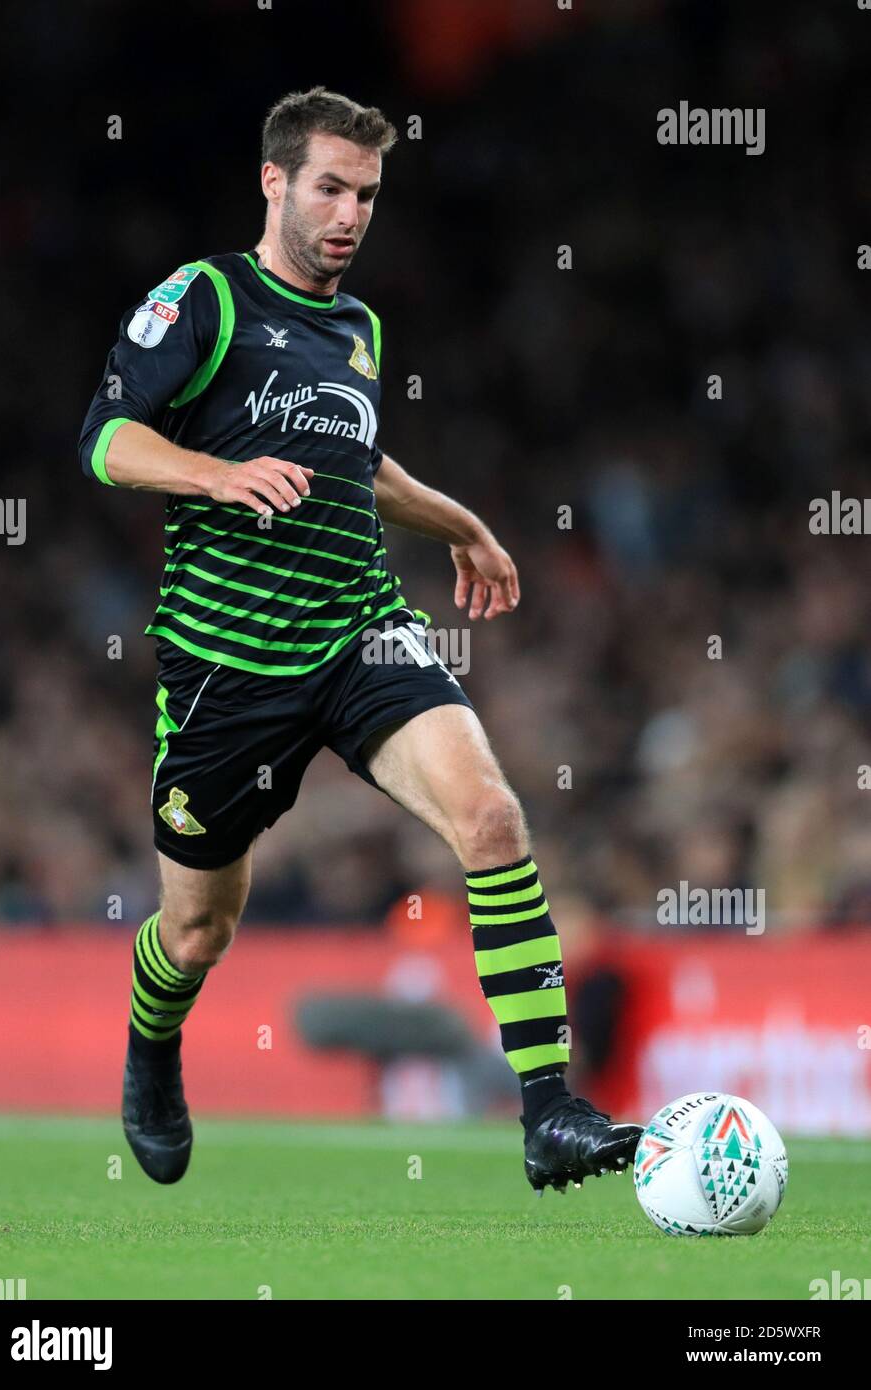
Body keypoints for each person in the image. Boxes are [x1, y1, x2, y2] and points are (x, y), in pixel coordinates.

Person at [78, 85, 642, 1194]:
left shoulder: (359, 329)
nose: (349, 214)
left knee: (489, 817)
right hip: (227, 669)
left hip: (359, 635)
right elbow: (104, 439)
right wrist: (215, 473)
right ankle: (151, 1048)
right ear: (273, 181)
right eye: (330, 187)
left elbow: (356, 464)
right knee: (196, 934)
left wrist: (462, 523)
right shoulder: (205, 300)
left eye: (368, 194)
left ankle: (547, 1113)